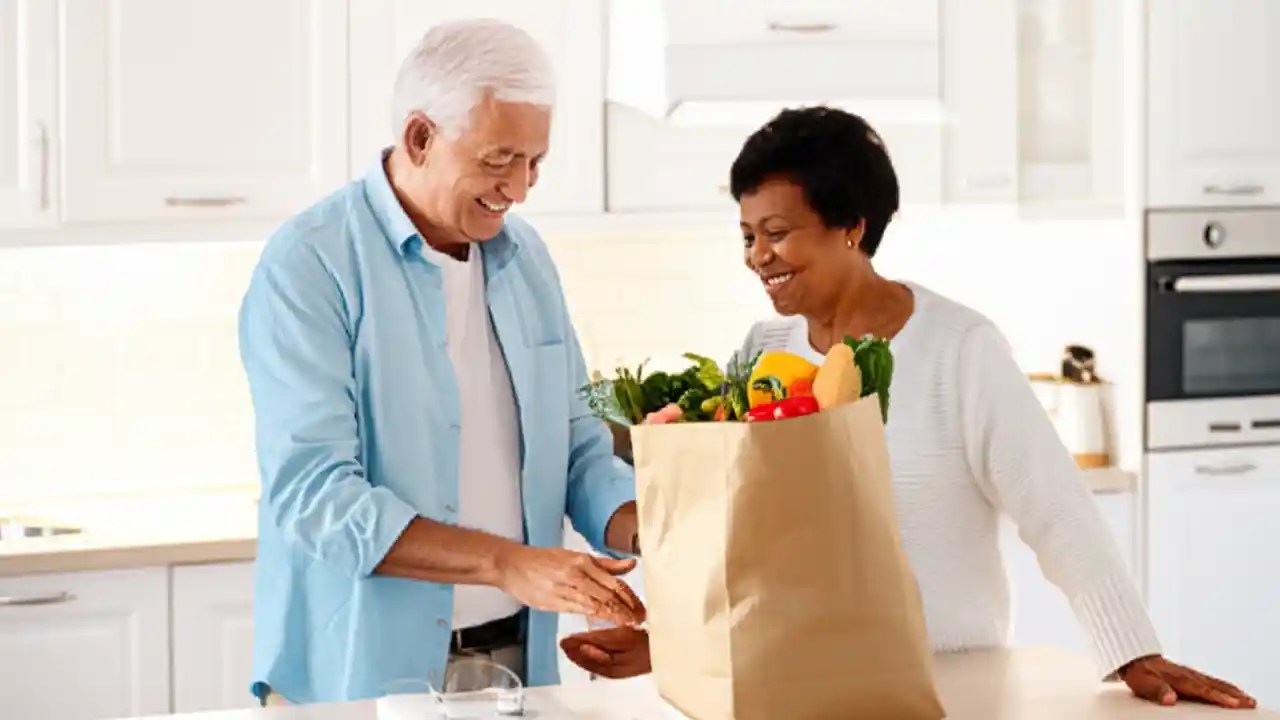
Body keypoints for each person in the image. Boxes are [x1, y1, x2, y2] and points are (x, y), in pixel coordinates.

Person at [561, 106, 1257, 710]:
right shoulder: (760, 353)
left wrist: (1132, 650)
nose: (757, 256)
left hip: (948, 681)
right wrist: (671, 642)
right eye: (746, 235)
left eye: (776, 231)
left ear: (851, 228)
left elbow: (1056, 508)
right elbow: (740, 540)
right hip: (791, 682)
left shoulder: (959, 348)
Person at [237, 19, 644, 706]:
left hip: (518, 665)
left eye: (534, 162)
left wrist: (649, 522)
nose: (518, 189)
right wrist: (505, 563)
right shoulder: (310, 263)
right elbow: (316, 498)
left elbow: (577, 447)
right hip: (356, 678)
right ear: (421, 137)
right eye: (498, 160)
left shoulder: (527, 261)